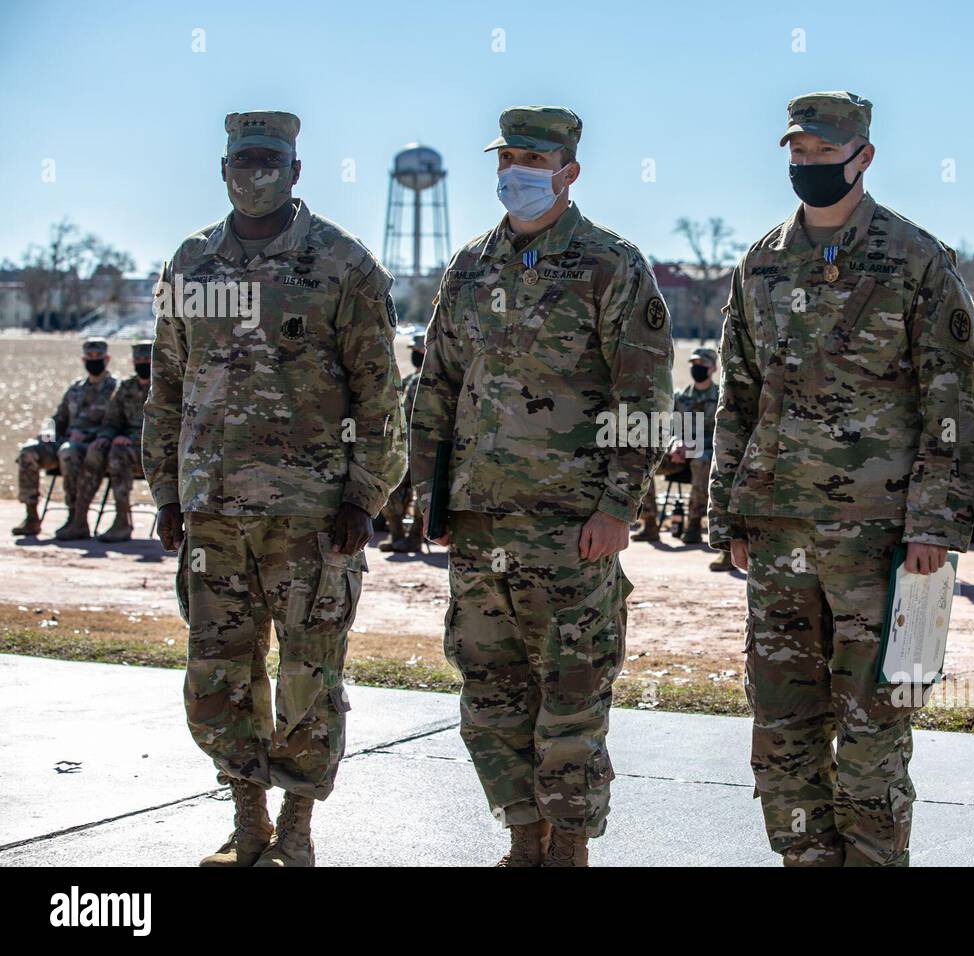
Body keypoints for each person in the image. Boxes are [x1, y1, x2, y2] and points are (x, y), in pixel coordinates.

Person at [709, 92, 974, 866]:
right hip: (779, 532)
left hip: (886, 542)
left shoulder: (916, 260)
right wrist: (733, 514)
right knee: (783, 732)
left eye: (823, 153)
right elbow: (740, 394)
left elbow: (953, 404)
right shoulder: (761, 261)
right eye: (797, 151)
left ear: (862, 157)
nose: (808, 165)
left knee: (873, 737)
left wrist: (935, 525)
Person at [409, 106, 673, 866]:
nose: (515, 171)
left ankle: (569, 852)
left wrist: (618, 507)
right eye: (507, 157)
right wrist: (430, 499)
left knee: (572, 699)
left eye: (532, 158)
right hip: (479, 524)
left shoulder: (608, 264)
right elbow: (438, 384)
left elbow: (644, 396)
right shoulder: (469, 267)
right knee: (489, 699)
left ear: (569, 171)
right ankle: (524, 842)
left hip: (570, 528)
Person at [144, 110, 405, 868]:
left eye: (270, 159)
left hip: (312, 517)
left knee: (308, 675)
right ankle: (247, 820)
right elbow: (166, 384)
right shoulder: (190, 264)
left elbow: (379, 394)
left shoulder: (339, 263)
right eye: (243, 159)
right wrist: (166, 492)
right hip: (212, 515)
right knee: (218, 676)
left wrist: (364, 496)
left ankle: (297, 824)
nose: (254, 172)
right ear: (223, 168)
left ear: (296, 170)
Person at [12, 338, 115, 538]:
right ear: (83, 359)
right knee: (28, 452)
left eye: (98, 357)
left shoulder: (115, 389)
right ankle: (31, 516)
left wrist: (87, 436)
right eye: (89, 357)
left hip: (89, 447)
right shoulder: (76, 388)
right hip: (64, 441)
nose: (93, 361)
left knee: (69, 451)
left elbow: (115, 423)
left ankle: (75, 517)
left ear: (107, 358)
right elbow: (58, 418)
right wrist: (47, 432)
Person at [632, 347, 721, 556]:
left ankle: (693, 526)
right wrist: (674, 444)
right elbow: (667, 428)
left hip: (704, 456)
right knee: (644, 460)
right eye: (694, 364)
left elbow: (722, 435)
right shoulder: (680, 397)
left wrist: (694, 445)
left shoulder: (719, 398)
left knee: (702, 459)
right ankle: (650, 523)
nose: (698, 368)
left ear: (714, 368)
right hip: (678, 456)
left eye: (703, 365)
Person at [67, 340, 153, 542]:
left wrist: (131, 438)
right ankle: (80, 520)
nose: (142, 363)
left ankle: (122, 521)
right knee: (96, 451)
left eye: (147, 359)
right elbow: (112, 420)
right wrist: (105, 437)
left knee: (118, 454)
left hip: (153, 448)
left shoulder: (167, 387)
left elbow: (167, 426)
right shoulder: (126, 387)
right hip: (124, 445)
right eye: (138, 360)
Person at [379, 333, 426, 553]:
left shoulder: (426, 381)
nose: (415, 356)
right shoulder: (410, 381)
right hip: (407, 445)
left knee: (422, 493)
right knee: (394, 488)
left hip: (426, 447)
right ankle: (397, 535)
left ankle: (414, 537)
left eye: (418, 352)